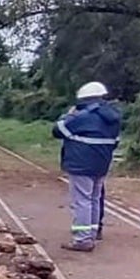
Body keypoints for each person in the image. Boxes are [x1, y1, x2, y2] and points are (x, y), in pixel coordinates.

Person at [52, 81, 121, 251]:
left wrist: (67, 115)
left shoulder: (83, 117)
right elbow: (115, 142)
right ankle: (92, 232)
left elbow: (57, 130)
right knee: (94, 198)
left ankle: (82, 239)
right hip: (102, 164)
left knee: (82, 200)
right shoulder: (114, 117)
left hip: (80, 164)